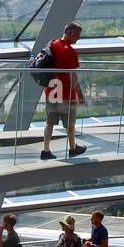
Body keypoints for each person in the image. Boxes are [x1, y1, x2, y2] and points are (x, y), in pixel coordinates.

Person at [40, 22, 88, 161]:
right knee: (70, 125)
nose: (78, 38)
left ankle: (46, 150)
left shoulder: (53, 44)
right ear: (69, 33)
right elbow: (73, 76)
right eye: (77, 35)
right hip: (66, 95)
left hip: (51, 92)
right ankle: (73, 148)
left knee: (49, 123)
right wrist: (80, 95)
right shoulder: (70, 51)